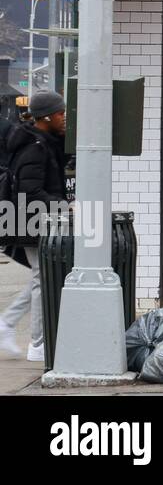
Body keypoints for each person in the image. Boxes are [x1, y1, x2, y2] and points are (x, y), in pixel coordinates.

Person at [0, 91, 68, 361]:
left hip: (38, 221)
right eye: (61, 113)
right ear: (47, 116)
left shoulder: (44, 142)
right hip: (32, 223)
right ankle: (38, 343)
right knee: (43, 279)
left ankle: (7, 323)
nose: (65, 118)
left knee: (43, 276)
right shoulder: (34, 147)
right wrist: (64, 205)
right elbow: (29, 193)